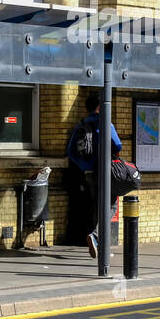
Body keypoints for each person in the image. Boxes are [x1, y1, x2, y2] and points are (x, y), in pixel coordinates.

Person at [65, 93, 122, 258]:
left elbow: (71, 152)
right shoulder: (106, 124)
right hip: (104, 171)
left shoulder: (81, 125)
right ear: (100, 107)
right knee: (111, 206)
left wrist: (85, 166)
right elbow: (118, 144)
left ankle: (99, 244)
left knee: (97, 206)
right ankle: (96, 236)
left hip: (89, 173)